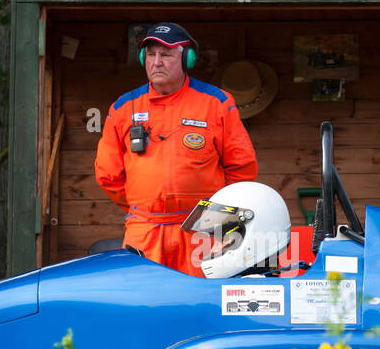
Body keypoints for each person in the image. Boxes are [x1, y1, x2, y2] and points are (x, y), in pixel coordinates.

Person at [95, 22, 258, 275]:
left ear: (187, 59)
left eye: (166, 54)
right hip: (145, 233)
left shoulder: (217, 103)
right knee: (146, 305)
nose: (157, 62)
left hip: (205, 230)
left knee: (203, 303)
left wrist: (219, 214)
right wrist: (146, 207)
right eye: (150, 54)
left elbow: (242, 169)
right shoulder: (123, 108)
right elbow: (108, 175)